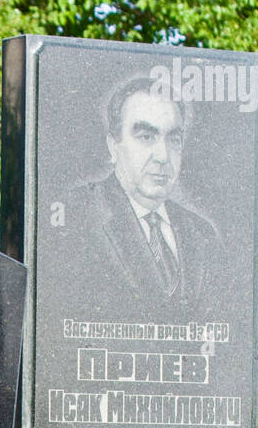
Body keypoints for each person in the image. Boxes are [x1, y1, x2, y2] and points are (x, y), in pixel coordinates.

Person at [60, 77, 222, 318]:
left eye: (173, 139)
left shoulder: (202, 234)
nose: (163, 156)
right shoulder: (75, 215)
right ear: (114, 146)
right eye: (146, 137)